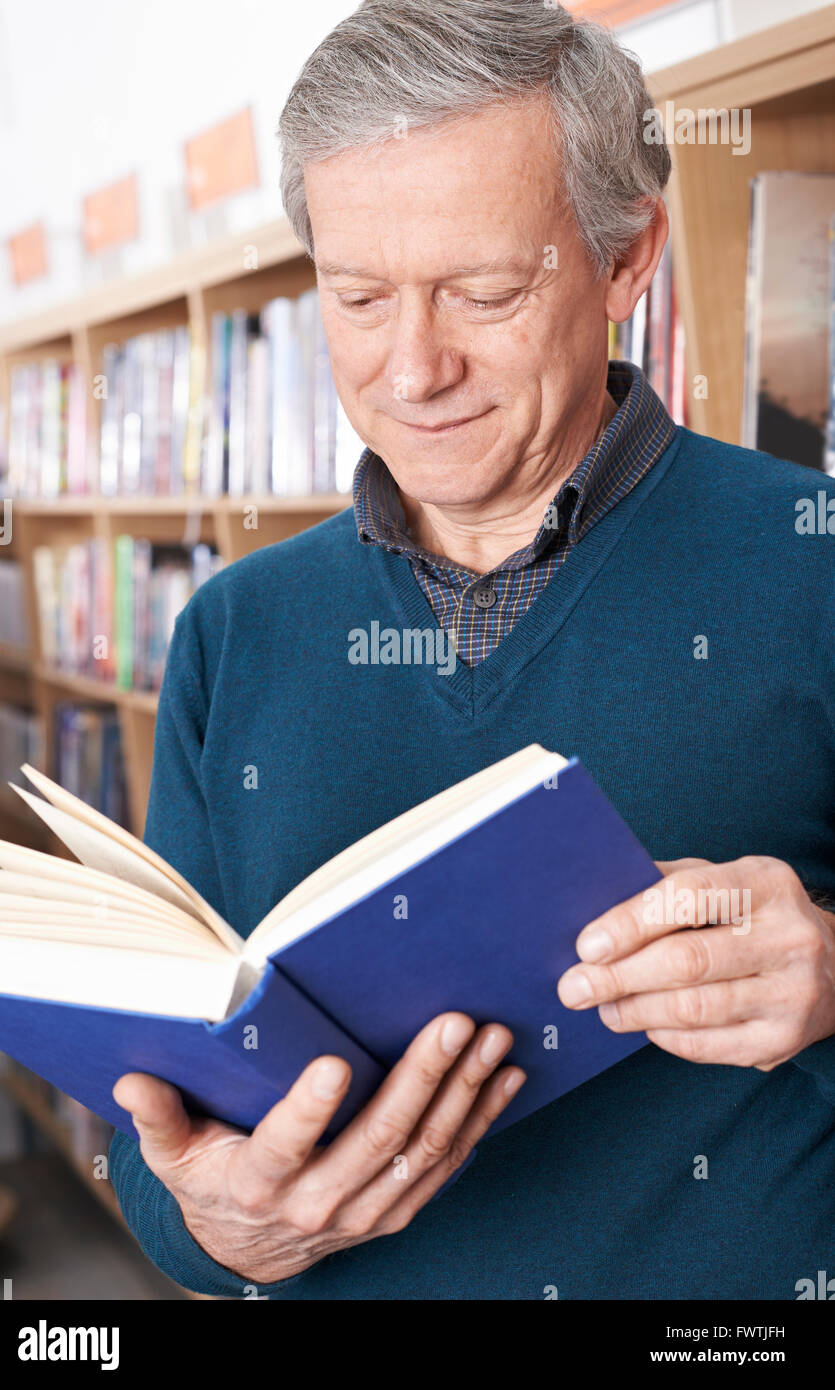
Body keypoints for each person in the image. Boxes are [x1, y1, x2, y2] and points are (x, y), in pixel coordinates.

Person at [110, 0, 835, 1300]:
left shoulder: (814, 559)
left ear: (627, 261)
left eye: (485, 291)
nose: (413, 368)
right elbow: (147, 1112)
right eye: (359, 296)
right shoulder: (234, 628)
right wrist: (209, 1230)